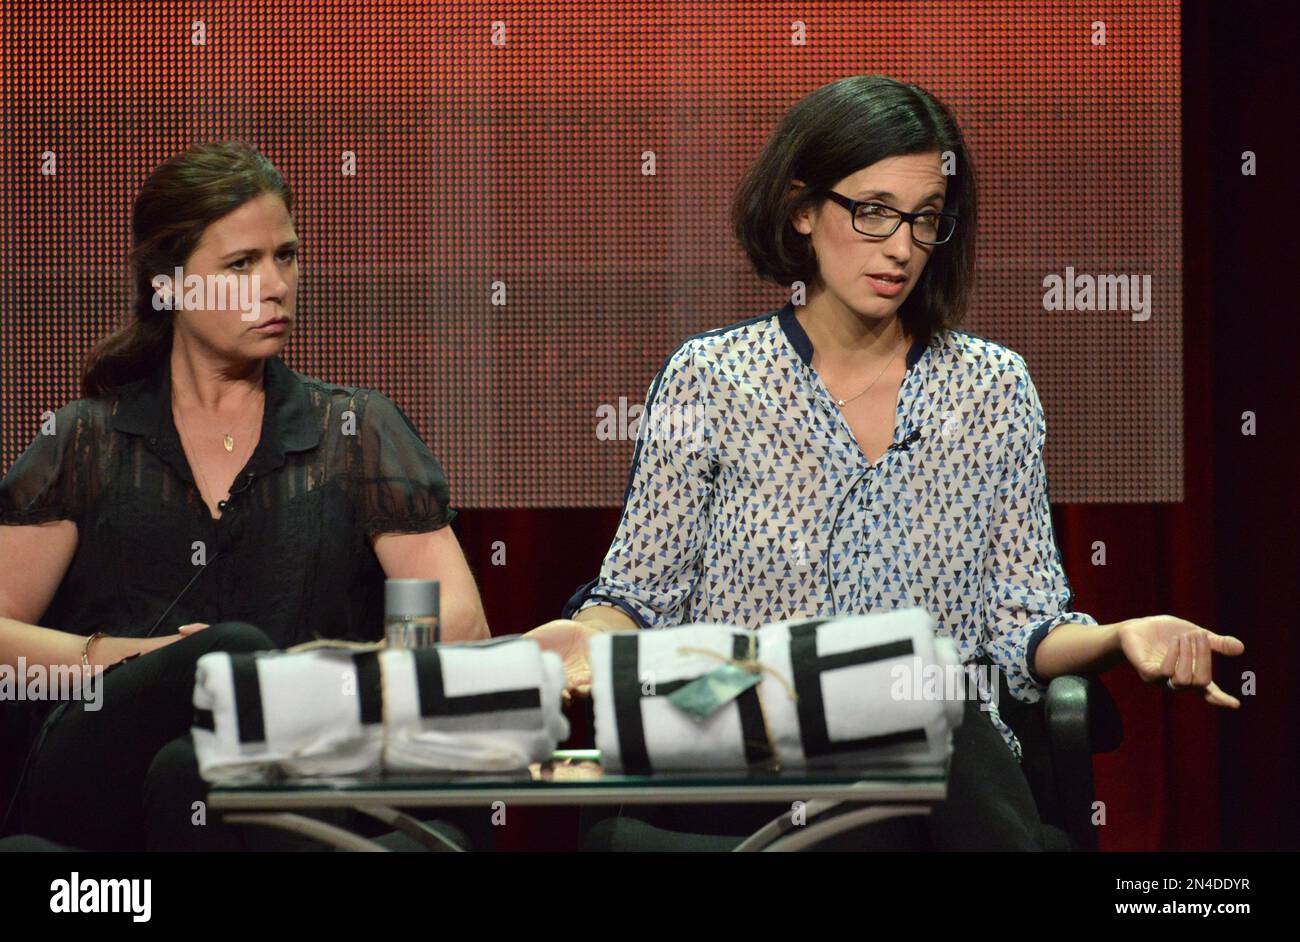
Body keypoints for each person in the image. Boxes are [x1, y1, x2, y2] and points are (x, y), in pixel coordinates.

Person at [545, 75, 1246, 850]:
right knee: (898, 685)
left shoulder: (990, 387)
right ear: (803, 208)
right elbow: (640, 592)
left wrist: (1120, 636)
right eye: (874, 211)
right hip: (746, 739)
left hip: (937, 764)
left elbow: (1025, 623)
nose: (903, 246)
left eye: (926, 220)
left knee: (919, 703)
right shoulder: (710, 378)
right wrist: (588, 633)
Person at [0, 141, 491, 851]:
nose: (276, 285)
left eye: (285, 256)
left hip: (299, 771)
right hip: (101, 776)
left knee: (194, 771)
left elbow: (462, 624)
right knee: (219, 658)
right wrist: (152, 661)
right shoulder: (86, 441)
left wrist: (303, 685)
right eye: (241, 265)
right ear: (169, 285)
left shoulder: (353, 432)